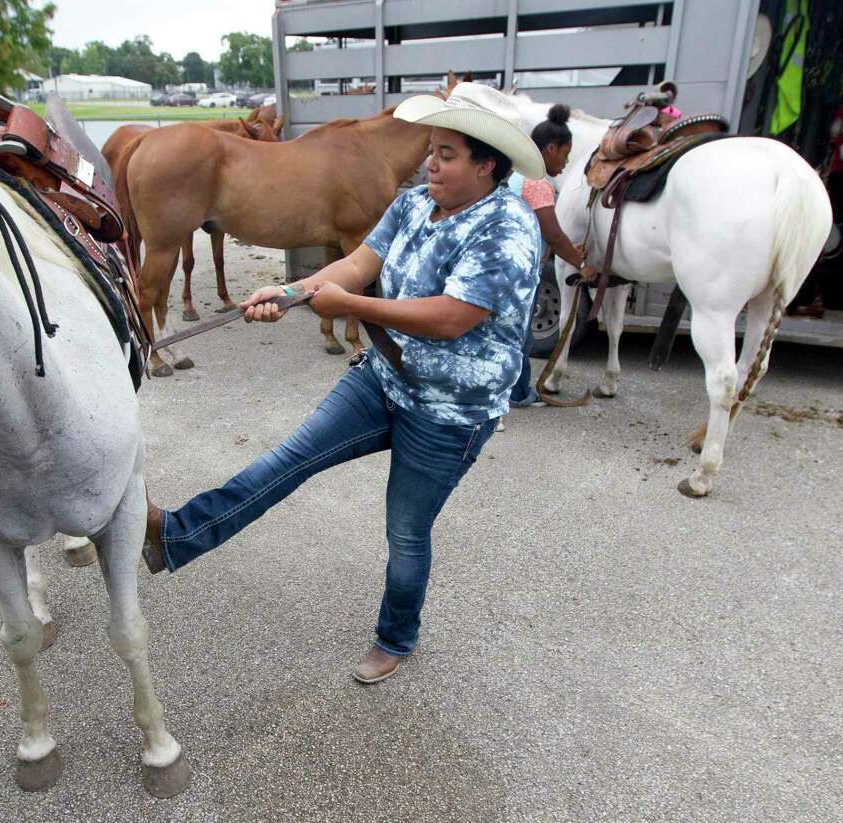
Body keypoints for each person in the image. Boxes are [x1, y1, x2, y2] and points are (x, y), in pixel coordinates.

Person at [143, 83, 545, 684]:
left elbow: (452, 316)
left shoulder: (506, 228)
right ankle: (177, 533)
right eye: (430, 149)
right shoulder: (413, 205)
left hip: (449, 412)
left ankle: (396, 637)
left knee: (406, 532)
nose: (429, 162)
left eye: (448, 155)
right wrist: (292, 291)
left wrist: (352, 306)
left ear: (487, 164)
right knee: (287, 460)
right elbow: (357, 264)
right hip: (385, 377)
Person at [505, 104, 598, 409]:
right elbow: (553, 233)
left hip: (507, 267)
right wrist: (581, 264)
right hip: (518, 272)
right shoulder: (537, 182)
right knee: (519, 338)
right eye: (565, 153)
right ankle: (516, 395)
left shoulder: (517, 176)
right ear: (550, 148)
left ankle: (513, 393)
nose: (567, 161)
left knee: (512, 335)